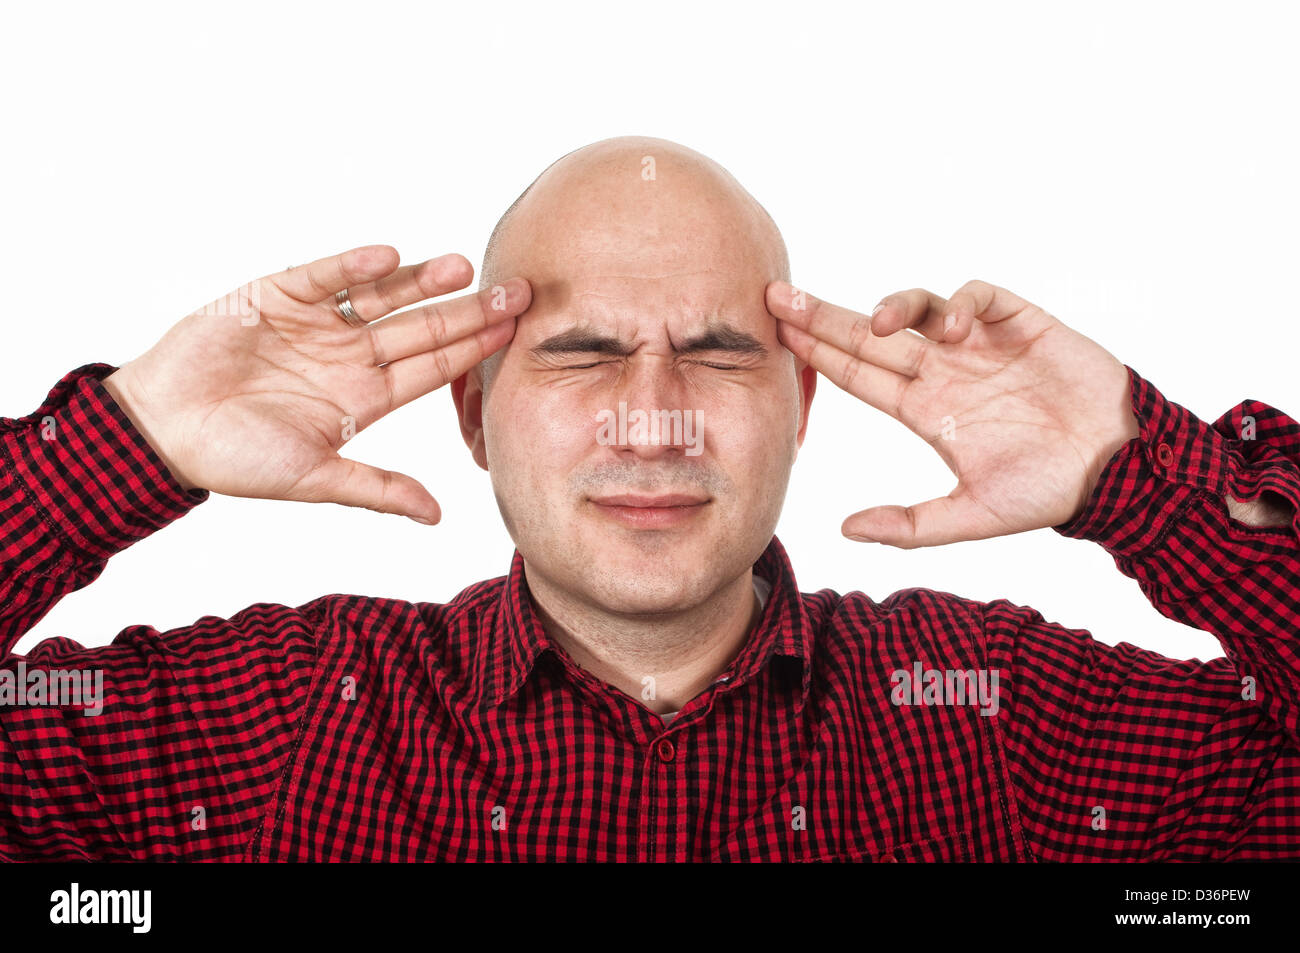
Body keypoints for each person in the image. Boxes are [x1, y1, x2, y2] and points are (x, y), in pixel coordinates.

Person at [1, 136, 1296, 861]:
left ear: (800, 404)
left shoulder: (996, 720)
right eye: (582, 352)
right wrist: (126, 443)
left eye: (722, 353)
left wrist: (1144, 475)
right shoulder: (278, 724)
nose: (656, 412)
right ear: (471, 411)